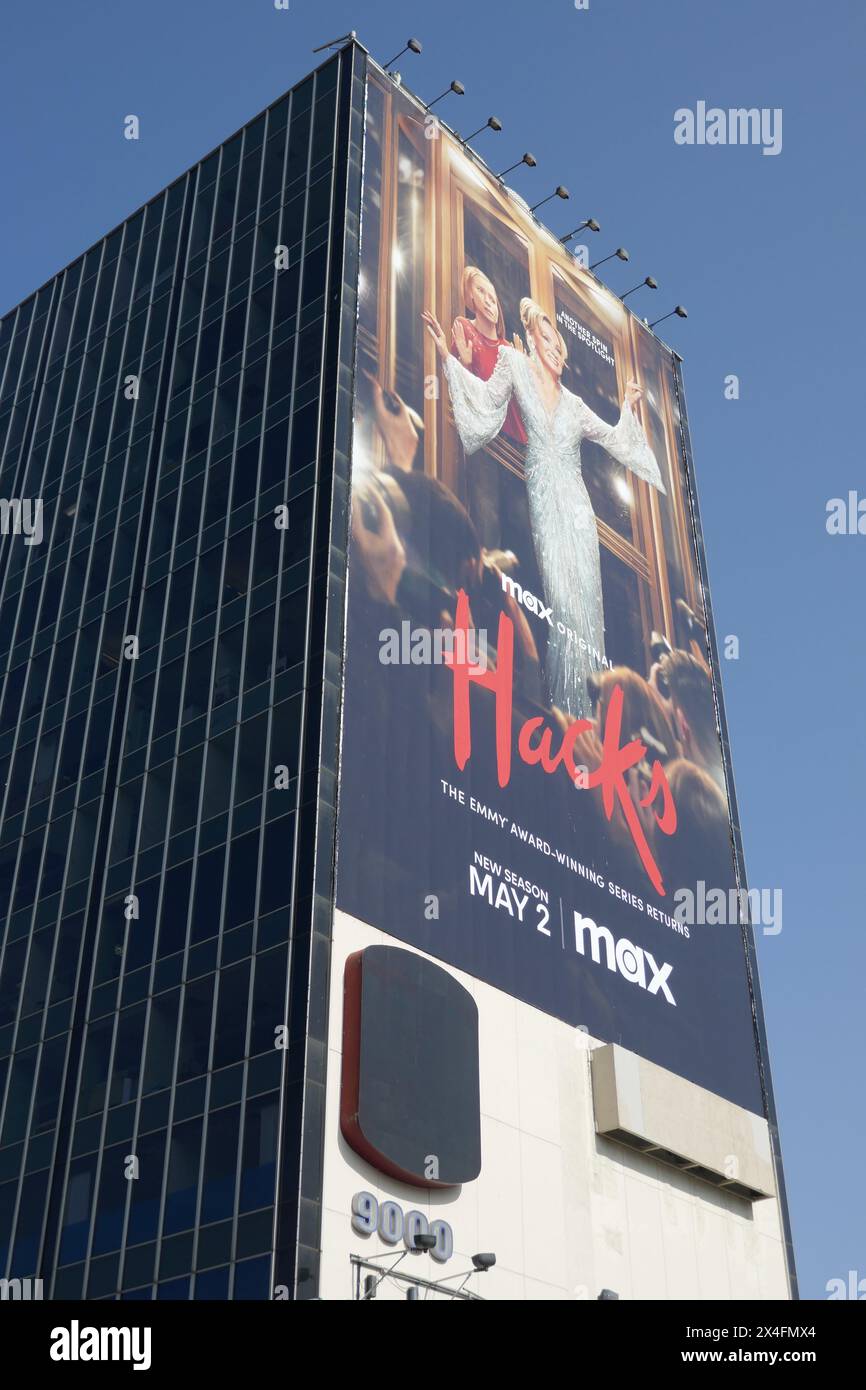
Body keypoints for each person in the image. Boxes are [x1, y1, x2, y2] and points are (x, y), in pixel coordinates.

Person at [423, 296, 666, 720]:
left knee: (586, 607)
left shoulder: (573, 403)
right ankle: (565, 705)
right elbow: (484, 398)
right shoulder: (515, 365)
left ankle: (590, 713)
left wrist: (626, 406)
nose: (557, 352)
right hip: (544, 496)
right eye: (549, 343)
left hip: (578, 508)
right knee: (561, 601)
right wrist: (448, 356)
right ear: (532, 341)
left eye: (561, 349)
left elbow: (614, 438)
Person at [450, 266, 527, 445]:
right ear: (470, 296)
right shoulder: (465, 328)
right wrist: (466, 364)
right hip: (488, 440)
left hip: (517, 446)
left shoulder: (508, 348)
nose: (488, 301)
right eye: (480, 291)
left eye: (492, 297)